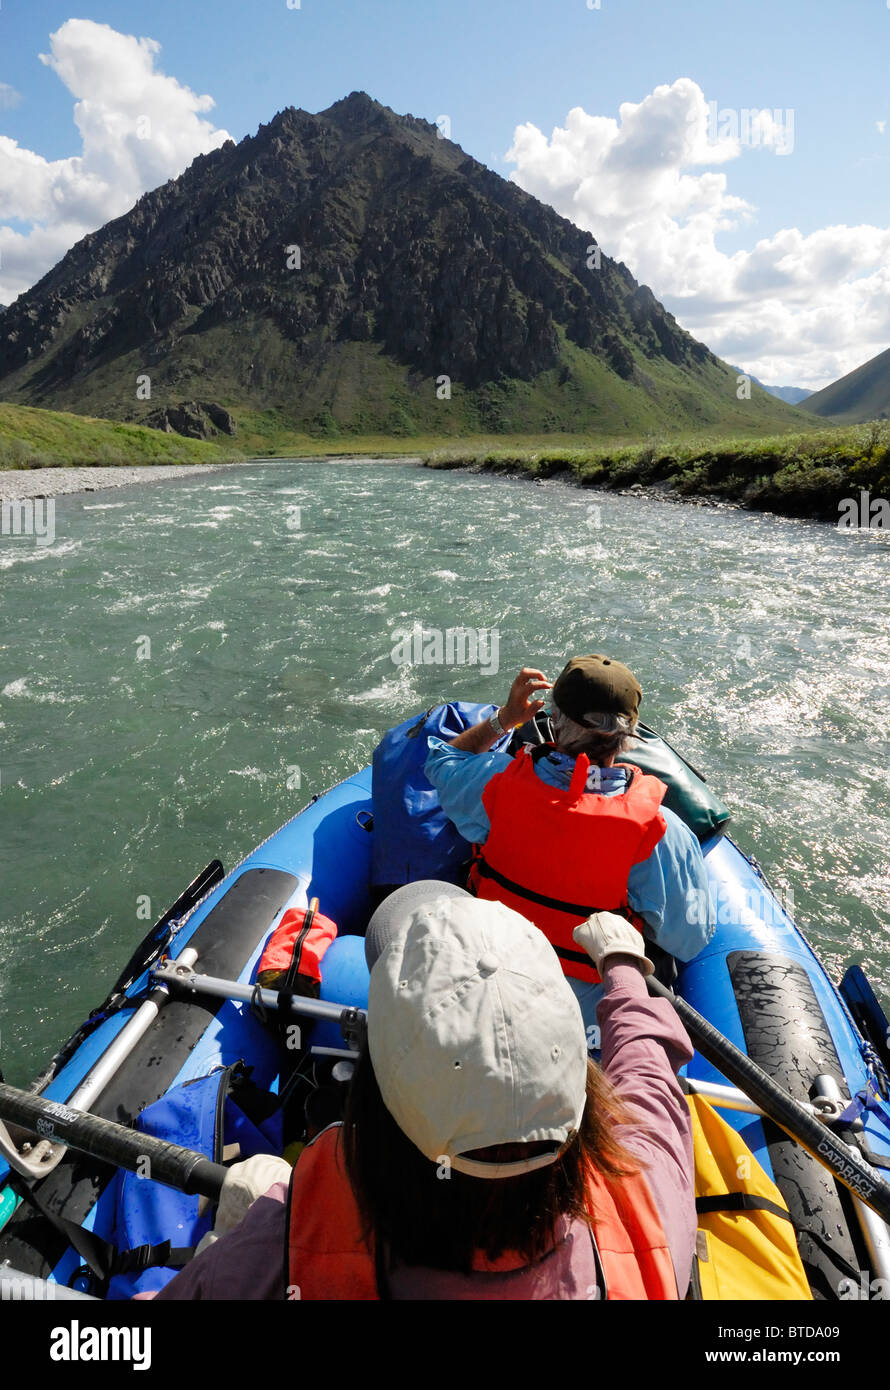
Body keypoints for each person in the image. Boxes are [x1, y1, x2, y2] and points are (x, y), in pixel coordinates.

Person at [148, 885, 696, 1300]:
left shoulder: (286, 1240)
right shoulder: (645, 1191)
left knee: (261, 1179)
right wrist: (622, 965)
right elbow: (648, 1072)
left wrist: (235, 1239)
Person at [423, 654, 714, 1035]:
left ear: (554, 719)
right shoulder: (661, 831)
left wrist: (505, 719)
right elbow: (689, 939)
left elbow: (441, 761)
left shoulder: (494, 782)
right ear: (628, 737)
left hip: (490, 983)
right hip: (586, 1026)